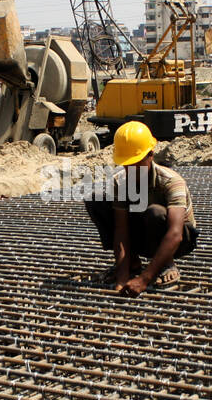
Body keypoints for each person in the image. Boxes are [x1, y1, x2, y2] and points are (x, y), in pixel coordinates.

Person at [85, 120, 198, 295]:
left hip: (179, 239)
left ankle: (167, 265)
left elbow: (176, 233)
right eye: (127, 164)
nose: (131, 169)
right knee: (96, 200)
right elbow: (121, 229)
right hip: (144, 233)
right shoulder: (121, 181)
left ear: (150, 155)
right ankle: (132, 262)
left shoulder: (171, 181)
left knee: (155, 212)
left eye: (136, 163)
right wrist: (123, 277)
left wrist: (144, 279)